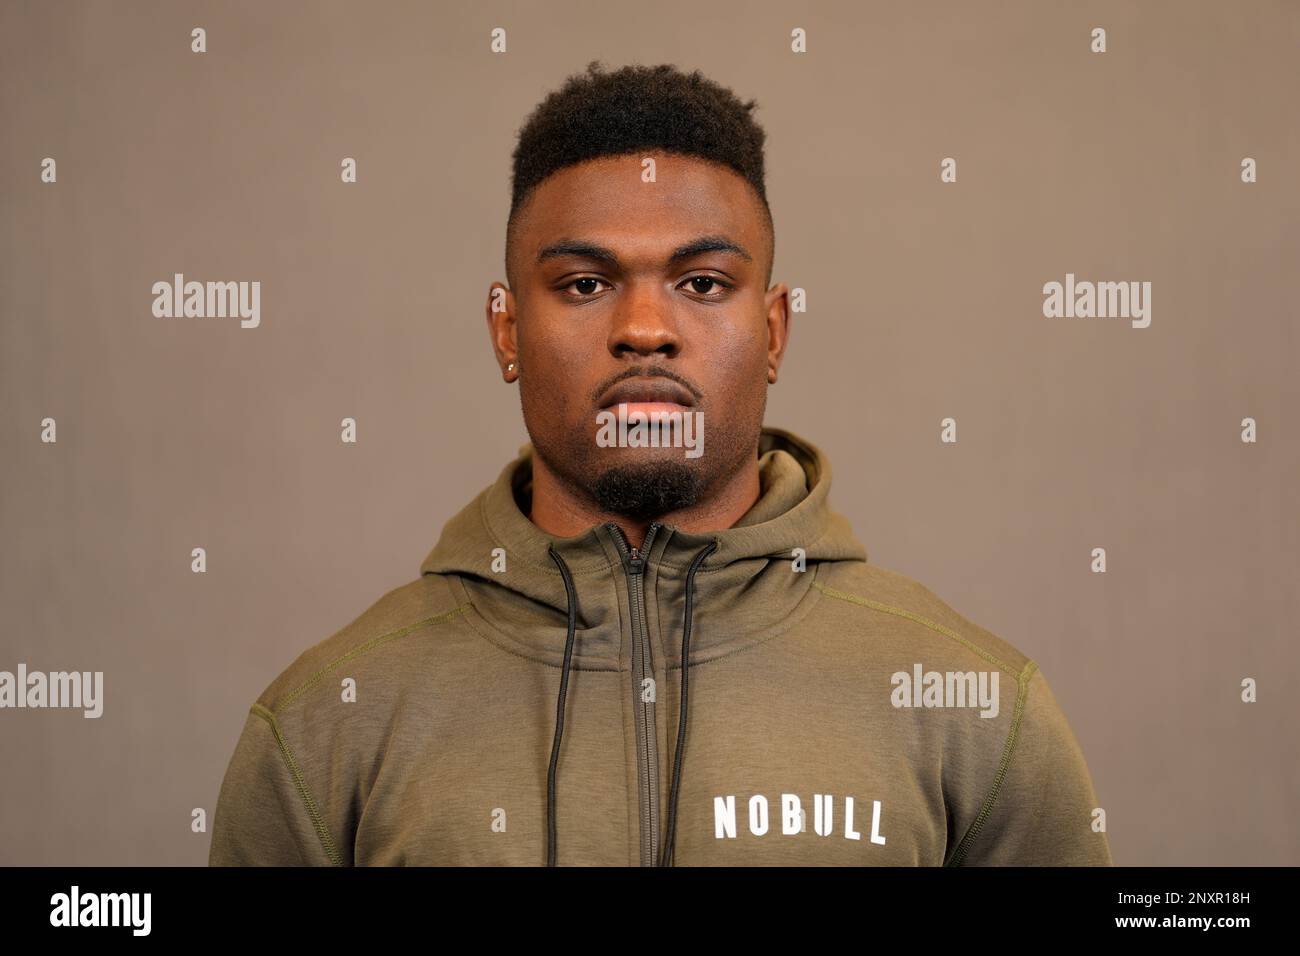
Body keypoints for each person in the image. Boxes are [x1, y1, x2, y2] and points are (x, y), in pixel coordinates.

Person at [209, 61, 1113, 867]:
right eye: (584, 285)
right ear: (506, 330)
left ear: (772, 331)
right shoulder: (331, 719)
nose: (645, 329)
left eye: (704, 283)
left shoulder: (972, 703)